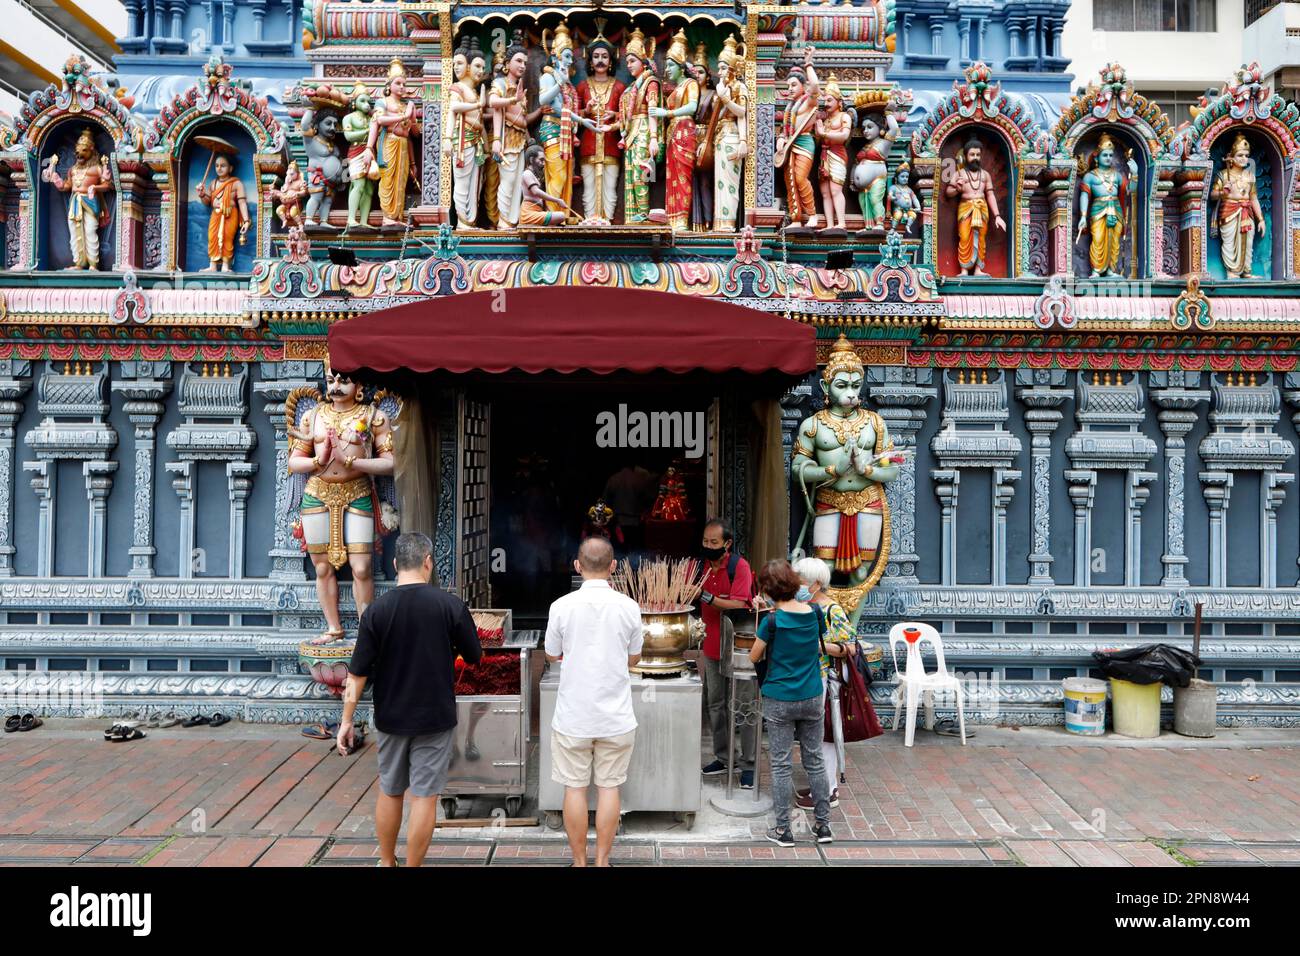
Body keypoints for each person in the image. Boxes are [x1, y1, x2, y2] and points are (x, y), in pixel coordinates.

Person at [338, 533, 482, 867]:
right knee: (424, 797)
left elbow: (356, 675)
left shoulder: (376, 612)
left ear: (394, 565)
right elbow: (474, 655)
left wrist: (346, 720)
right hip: (435, 717)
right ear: (428, 561)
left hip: (390, 717)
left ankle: (387, 862)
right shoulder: (449, 605)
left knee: (390, 790)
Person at [545, 537, 644, 867]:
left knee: (574, 789)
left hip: (573, 716)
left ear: (577, 566)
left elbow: (551, 653)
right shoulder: (629, 607)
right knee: (609, 788)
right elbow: (635, 658)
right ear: (614, 567)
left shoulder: (561, 606)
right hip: (615, 716)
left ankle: (579, 862)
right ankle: (602, 862)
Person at [749, 559, 833, 847]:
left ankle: (784, 830)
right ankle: (823, 827)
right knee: (815, 761)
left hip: (780, 698)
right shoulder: (815, 612)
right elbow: (819, 641)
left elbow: (754, 656)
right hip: (811, 694)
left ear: (768, 589)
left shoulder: (771, 621)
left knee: (781, 764)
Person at [791, 556, 857, 810]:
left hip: (826, 682)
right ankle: (820, 785)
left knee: (824, 737)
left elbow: (850, 647)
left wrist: (819, 646)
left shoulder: (832, 610)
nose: (798, 586)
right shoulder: (804, 607)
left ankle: (828, 790)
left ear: (816, 584)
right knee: (813, 736)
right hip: (807, 679)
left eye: (802, 581)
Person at [697, 518, 757, 788]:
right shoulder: (702, 567)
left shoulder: (739, 567)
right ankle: (723, 757)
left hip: (739, 645)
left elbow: (738, 603)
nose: (708, 546)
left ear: (727, 543)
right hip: (711, 644)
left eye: (713, 542)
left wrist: (707, 597)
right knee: (716, 704)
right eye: (705, 541)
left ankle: (749, 765)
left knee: (745, 706)